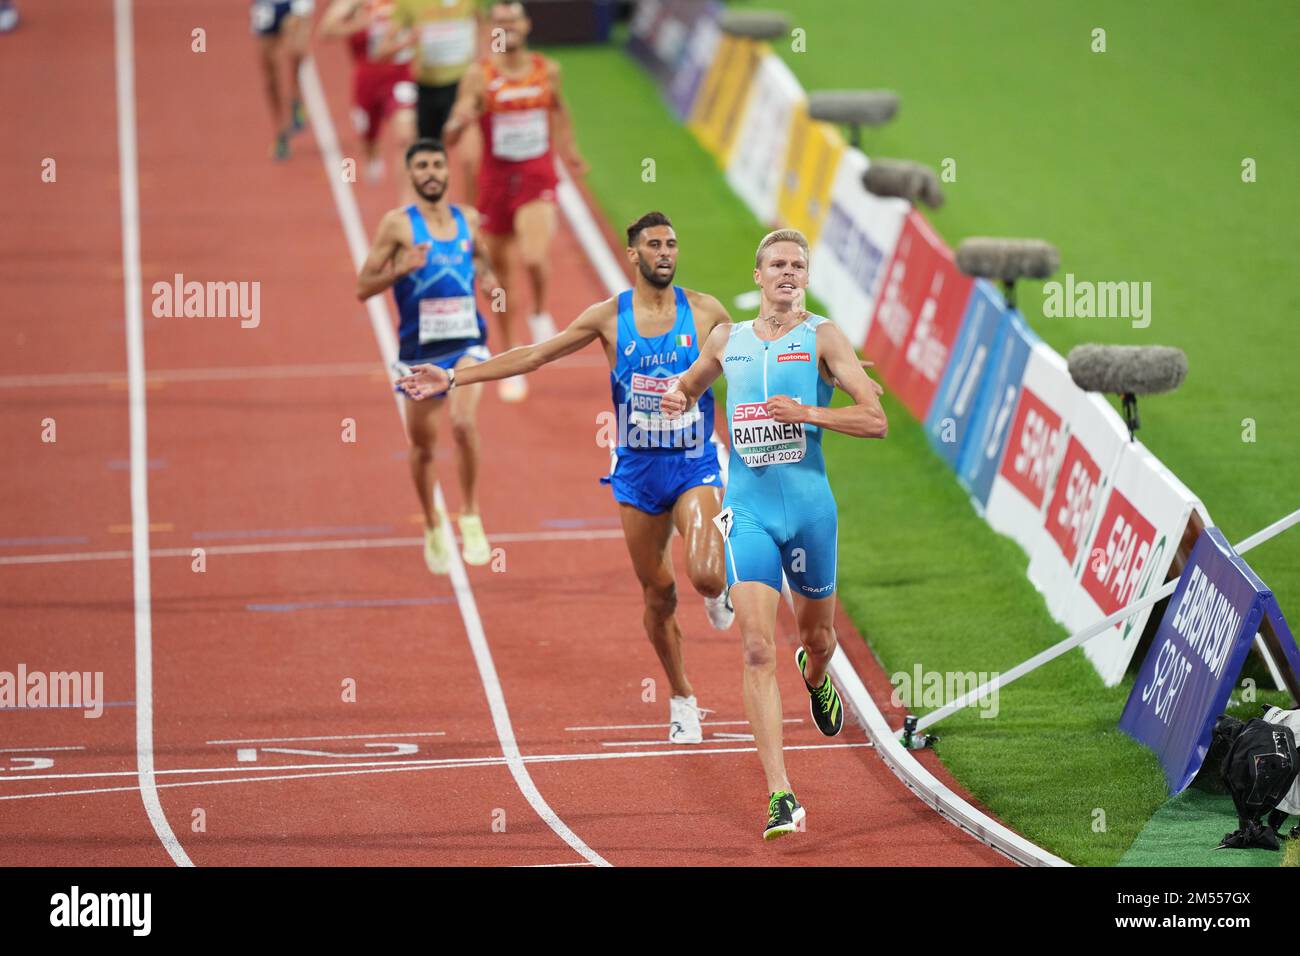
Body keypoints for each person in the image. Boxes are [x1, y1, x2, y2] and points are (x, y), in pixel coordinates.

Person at [397, 212, 735, 745]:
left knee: (708, 575)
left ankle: (719, 592)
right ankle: (682, 696)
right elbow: (533, 355)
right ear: (634, 255)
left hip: (693, 461)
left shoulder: (707, 310)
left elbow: (743, 360)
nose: (666, 252)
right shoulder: (606, 318)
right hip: (636, 472)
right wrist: (455, 374)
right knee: (658, 595)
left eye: (672, 243)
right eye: (654, 244)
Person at [660, 229, 888, 840]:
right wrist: (679, 397)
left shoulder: (824, 338)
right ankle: (781, 795)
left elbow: (876, 418)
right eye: (777, 264)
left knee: (819, 637)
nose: (787, 273)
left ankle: (815, 677)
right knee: (756, 647)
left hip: (811, 513)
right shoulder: (727, 339)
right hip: (750, 511)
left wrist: (811, 411)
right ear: (758, 276)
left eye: (798, 265)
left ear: (805, 279)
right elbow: (694, 380)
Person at [356, 138, 501, 574]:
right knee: (422, 446)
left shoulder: (468, 218)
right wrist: (399, 270)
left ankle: (470, 514)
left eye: (438, 164)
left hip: (466, 342)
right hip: (419, 351)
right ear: (411, 174)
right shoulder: (397, 226)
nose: (433, 172)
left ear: (446, 170)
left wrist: (492, 284)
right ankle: (433, 522)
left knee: (462, 421)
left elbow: (483, 262)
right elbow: (363, 287)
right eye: (422, 166)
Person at [441, 0, 588, 402]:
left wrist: (570, 150)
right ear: (493, 29)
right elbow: (456, 125)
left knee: (535, 256)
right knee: (501, 278)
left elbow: (559, 110)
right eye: (500, 22)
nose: (508, 27)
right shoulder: (479, 75)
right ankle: (509, 355)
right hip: (495, 182)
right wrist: (457, 123)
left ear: (525, 25)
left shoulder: (547, 69)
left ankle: (540, 312)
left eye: (513, 20)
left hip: (537, 177)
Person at [319, 0, 418, 187]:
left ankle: (407, 199)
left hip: (399, 76)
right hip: (366, 80)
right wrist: (359, 24)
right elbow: (326, 31)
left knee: (406, 136)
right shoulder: (353, 3)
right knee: (368, 138)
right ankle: (372, 154)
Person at [250, 0, 315, 161]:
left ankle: (295, 96)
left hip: (294, 3)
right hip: (267, 6)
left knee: (297, 49)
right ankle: (281, 133)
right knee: (270, 76)